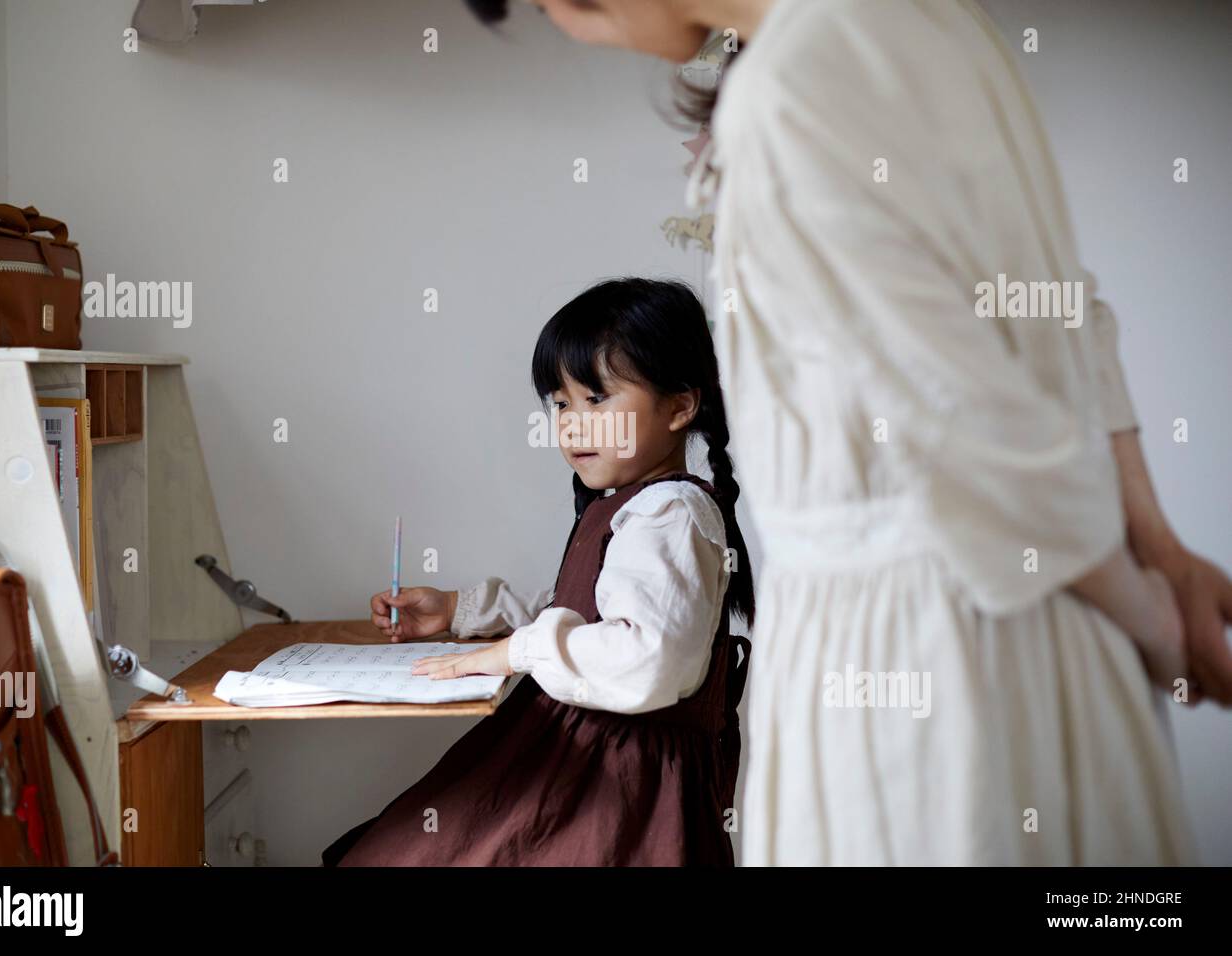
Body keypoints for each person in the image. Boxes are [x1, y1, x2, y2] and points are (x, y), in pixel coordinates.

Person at [465, 0, 1232, 864]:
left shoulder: (791, 88)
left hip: (926, 650)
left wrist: (1158, 621)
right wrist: (1154, 558)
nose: (573, 26)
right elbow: (1064, 311)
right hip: (1045, 624)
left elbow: (961, 426)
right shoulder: (935, 22)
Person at [322, 278, 754, 865]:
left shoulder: (669, 513)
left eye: (597, 400)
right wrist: (459, 610)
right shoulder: (630, 501)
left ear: (680, 405)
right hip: (581, 760)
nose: (572, 423)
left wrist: (515, 652)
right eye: (561, 403)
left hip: (619, 787)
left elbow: (646, 659)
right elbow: (581, 607)